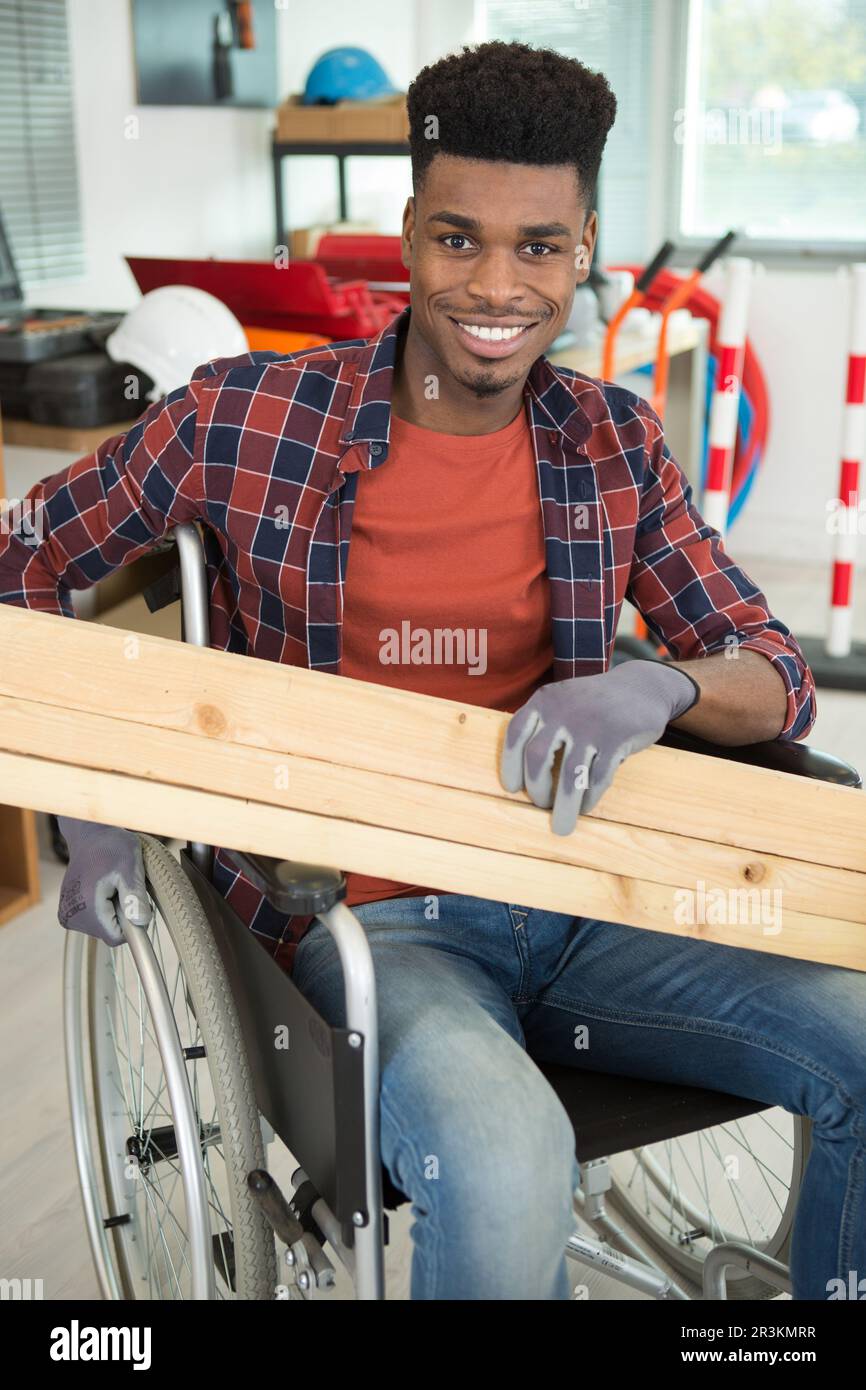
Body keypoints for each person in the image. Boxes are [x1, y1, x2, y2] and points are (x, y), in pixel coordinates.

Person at [2, 41, 863, 1302]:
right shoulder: (241, 420)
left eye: (538, 248)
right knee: (507, 1154)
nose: (496, 286)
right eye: (458, 239)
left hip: (586, 893)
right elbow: (24, 560)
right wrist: (92, 801)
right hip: (368, 927)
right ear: (406, 233)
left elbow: (771, 670)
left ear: (581, 255)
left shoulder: (611, 441)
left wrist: (659, 687)